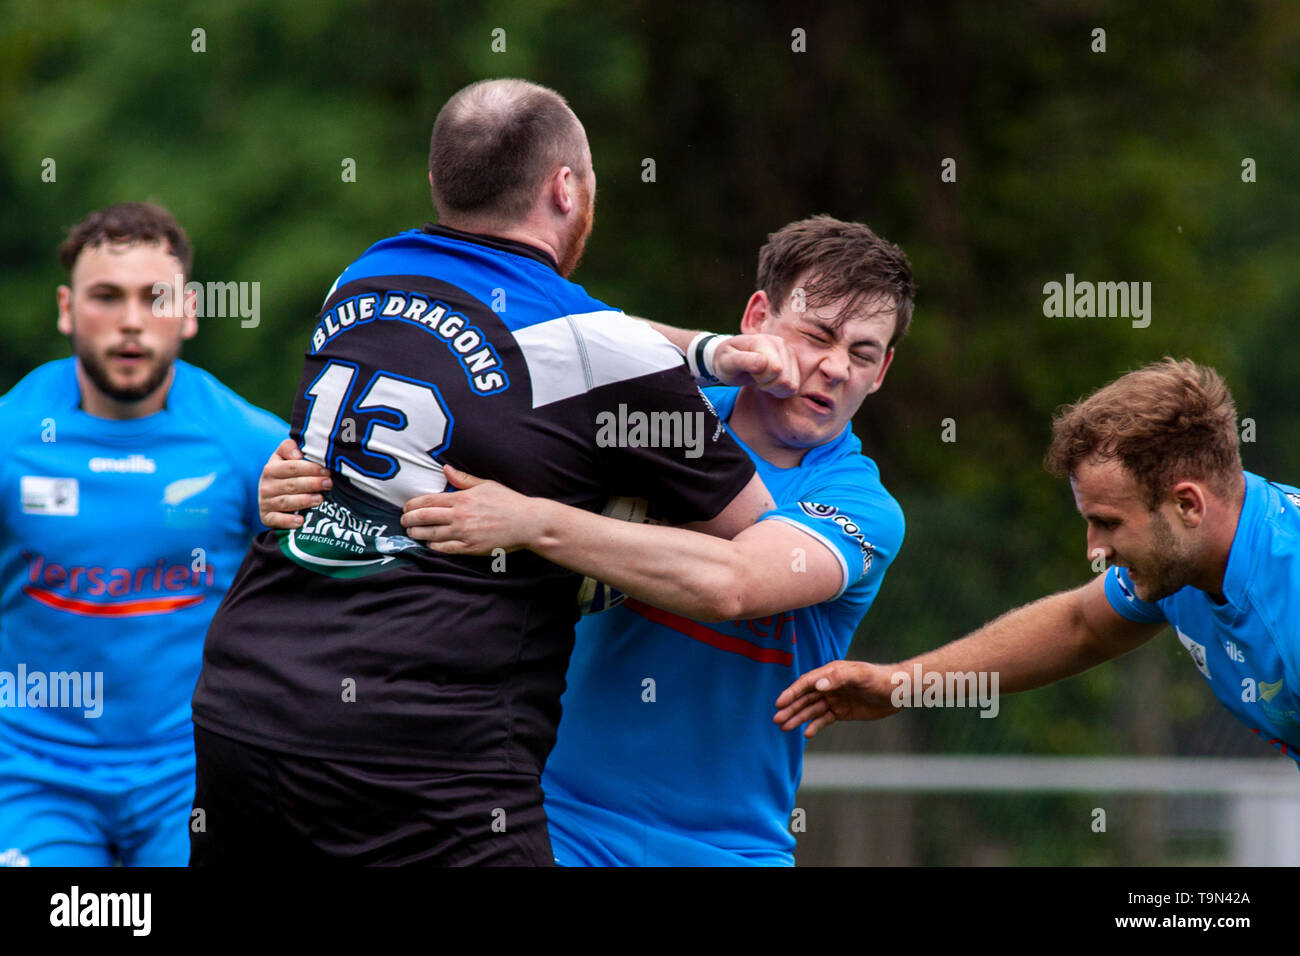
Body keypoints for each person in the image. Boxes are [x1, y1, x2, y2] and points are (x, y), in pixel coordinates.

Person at [189, 78, 770, 867]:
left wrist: (699, 351)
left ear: (440, 183)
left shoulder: (362, 276)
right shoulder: (606, 356)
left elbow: (558, 333)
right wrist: (578, 534)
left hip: (245, 704)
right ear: (565, 188)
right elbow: (752, 531)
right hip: (424, 750)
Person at [261, 215, 916, 865]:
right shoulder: (642, 412)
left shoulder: (863, 506)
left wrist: (538, 522)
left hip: (727, 850)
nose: (833, 367)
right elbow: (531, 342)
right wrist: (305, 479)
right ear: (756, 319)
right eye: (816, 335)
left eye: (862, 354)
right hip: (549, 822)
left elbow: (731, 581)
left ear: (882, 371)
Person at [774, 359, 1300, 767]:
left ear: (1188, 504)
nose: (1094, 550)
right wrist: (901, 684)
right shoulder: (1198, 547)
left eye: (1110, 523)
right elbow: (1079, 627)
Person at [0, 202, 288, 866]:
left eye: (153, 298)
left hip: (191, 775)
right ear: (68, 309)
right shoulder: (14, 434)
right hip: (32, 775)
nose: (131, 321)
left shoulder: (249, 444)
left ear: (188, 311)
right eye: (107, 297)